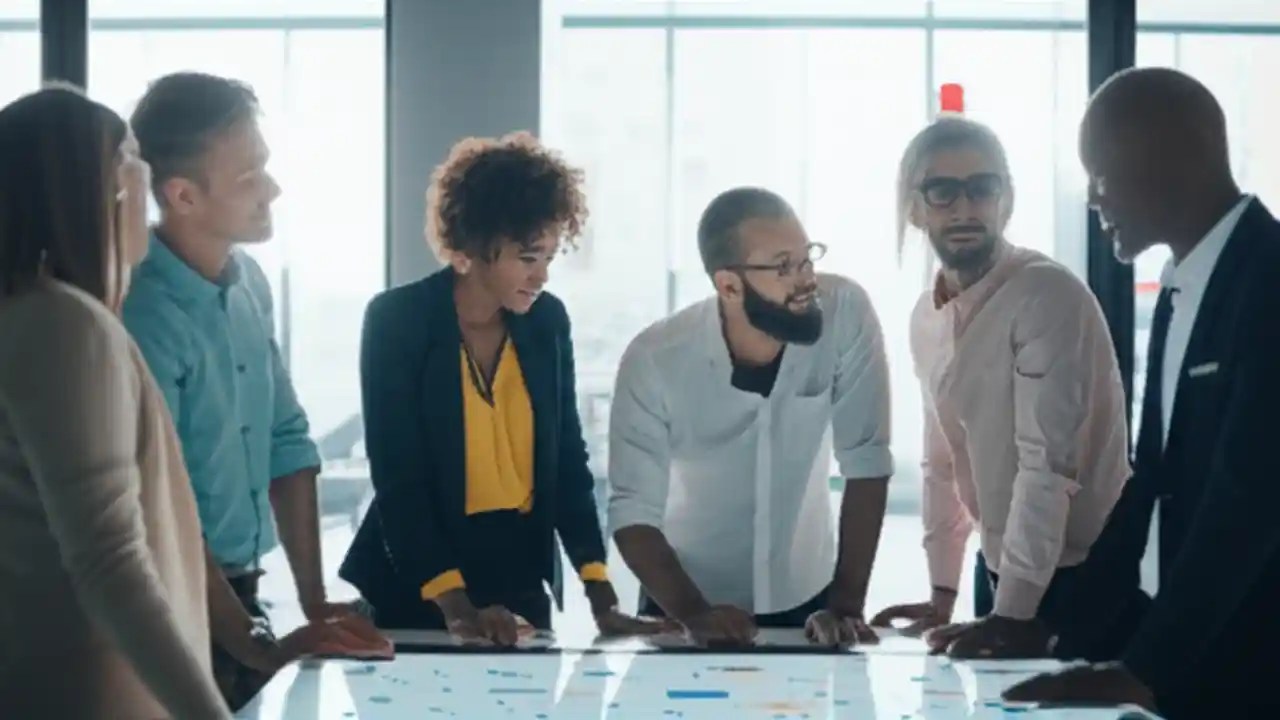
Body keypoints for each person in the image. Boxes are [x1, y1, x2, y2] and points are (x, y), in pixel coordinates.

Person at [1005, 68, 1280, 718]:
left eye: (1099, 174)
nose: (1094, 202)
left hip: (1257, 667)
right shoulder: (1179, 285)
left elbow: (1250, 500)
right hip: (1190, 660)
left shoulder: (1270, 283)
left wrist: (1142, 672)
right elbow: (1151, 481)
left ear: (1169, 160)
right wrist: (1049, 630)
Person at [122, 72, 389, 708]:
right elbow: (161, 505)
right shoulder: (142, 314)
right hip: (166, 597)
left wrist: (315, 598)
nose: (272, 190)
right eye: (249, 178)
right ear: (182, 195)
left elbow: (287, 442)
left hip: (242, 590)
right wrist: (253, 643)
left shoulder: (251, 285)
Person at [340, 132, 659, 643]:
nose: (542, 276)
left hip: (518, 579)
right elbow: (400, 478)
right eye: (528, 258)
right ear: (469, 250)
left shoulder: (546, 322)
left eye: (550, 257)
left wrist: (600, 591)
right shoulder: (397, 320)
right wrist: (457, 607)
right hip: (415, 586)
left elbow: (565, 462)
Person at [0, 86, 230, 718]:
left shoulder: (33, 317)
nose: (148, 175)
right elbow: (110, 560)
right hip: (99, 694)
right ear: (99, 184)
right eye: (131, 156)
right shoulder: (64, 326)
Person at [867, 117, 1134, 660]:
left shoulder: (1045, 294)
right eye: (942, 190)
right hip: (1003, 570)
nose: (964, 208)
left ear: (1005, 200)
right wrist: (943, 593)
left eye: (983, 188)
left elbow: (1048, 468)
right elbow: (940, 458)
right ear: (915, 209)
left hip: (1084, 574)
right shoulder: (927, 315)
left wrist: (1013, 616)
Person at [608, 187, 891, 647]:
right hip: (682, 599)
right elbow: (632, 512)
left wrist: (845, 609)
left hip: (809, 596)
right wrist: (694, 615)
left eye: (806, 259)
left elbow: (867, 462)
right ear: (729, 285)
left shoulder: (845, 313)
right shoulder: (655, 358)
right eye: (783, 266)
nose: (805, 280)